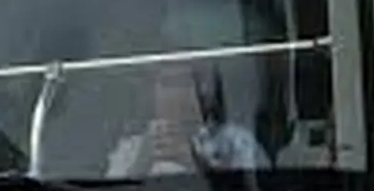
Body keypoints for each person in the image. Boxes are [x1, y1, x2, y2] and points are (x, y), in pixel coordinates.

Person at [105, 67, 268, 178]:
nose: (176, 94)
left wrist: (194, 163)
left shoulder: (238, 141)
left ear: (202, 90)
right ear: (153, 92)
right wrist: (141, 162)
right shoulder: (129, 148)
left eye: (184, 83)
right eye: (167, 83)